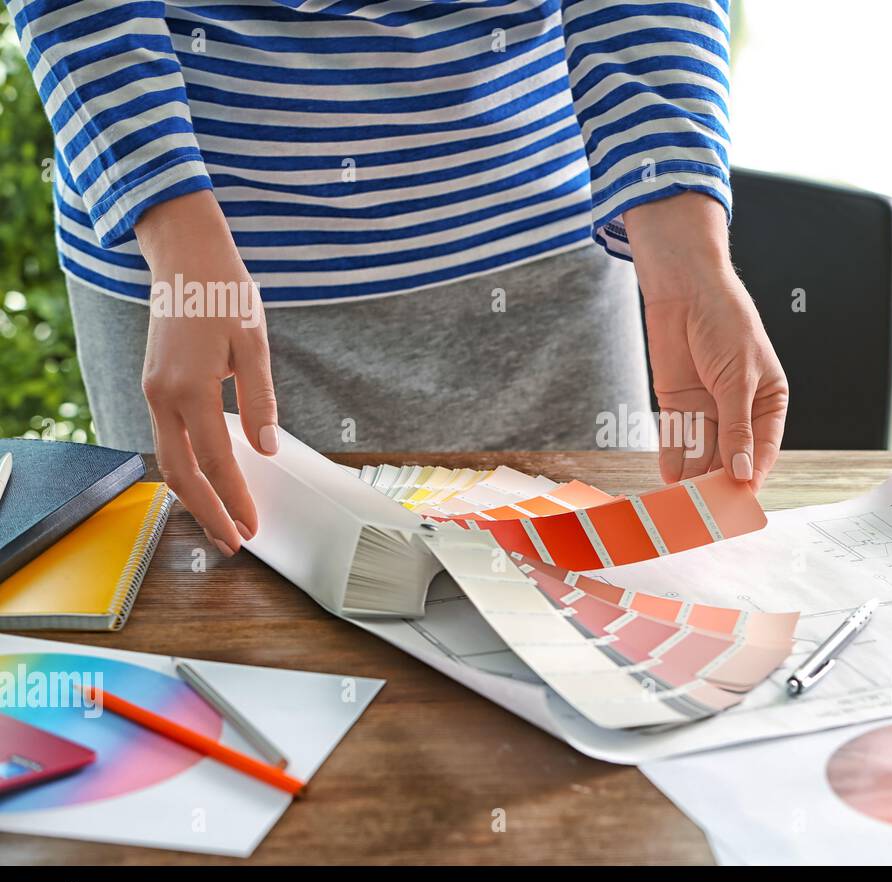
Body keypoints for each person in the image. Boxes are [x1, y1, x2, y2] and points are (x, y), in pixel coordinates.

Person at [11, 0, 788, 557]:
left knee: (578, 614)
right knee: (229, 626)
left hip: (536, 244)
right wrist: (175, 229)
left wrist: (688, 250)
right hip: (193, 259)